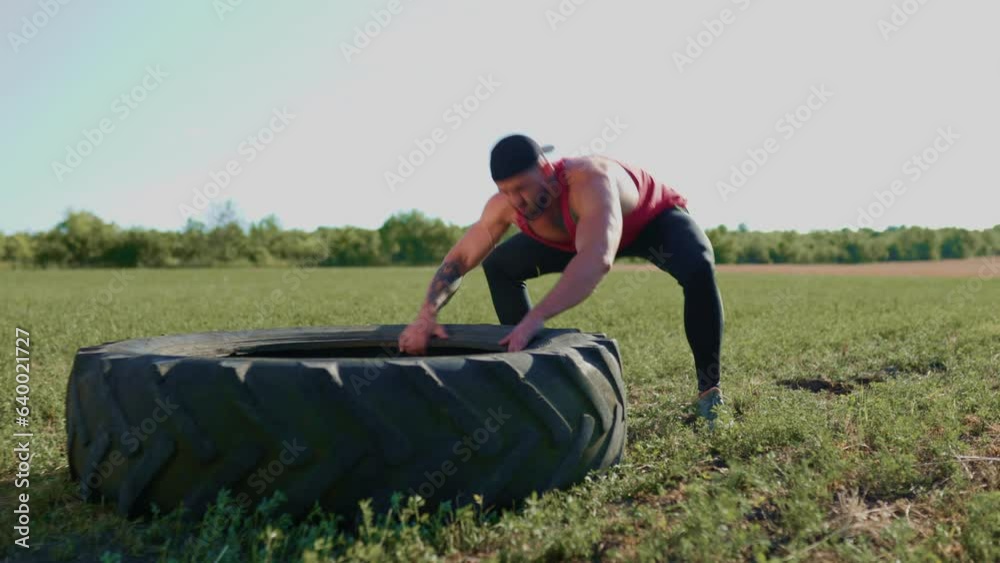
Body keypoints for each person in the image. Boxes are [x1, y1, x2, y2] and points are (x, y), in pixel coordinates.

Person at [398, 134, 726, 423]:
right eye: (505, 191)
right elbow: (460, 259)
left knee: (698, 266)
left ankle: (709, 392)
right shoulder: (505, 206)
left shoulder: (590, 180)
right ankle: (534, 373)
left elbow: (597, 259)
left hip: (651, 222)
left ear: (545, 170)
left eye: (522, 188)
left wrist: (536, 316)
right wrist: (428, 313)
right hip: (575, 237)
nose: (517, 201)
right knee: (499, 266)